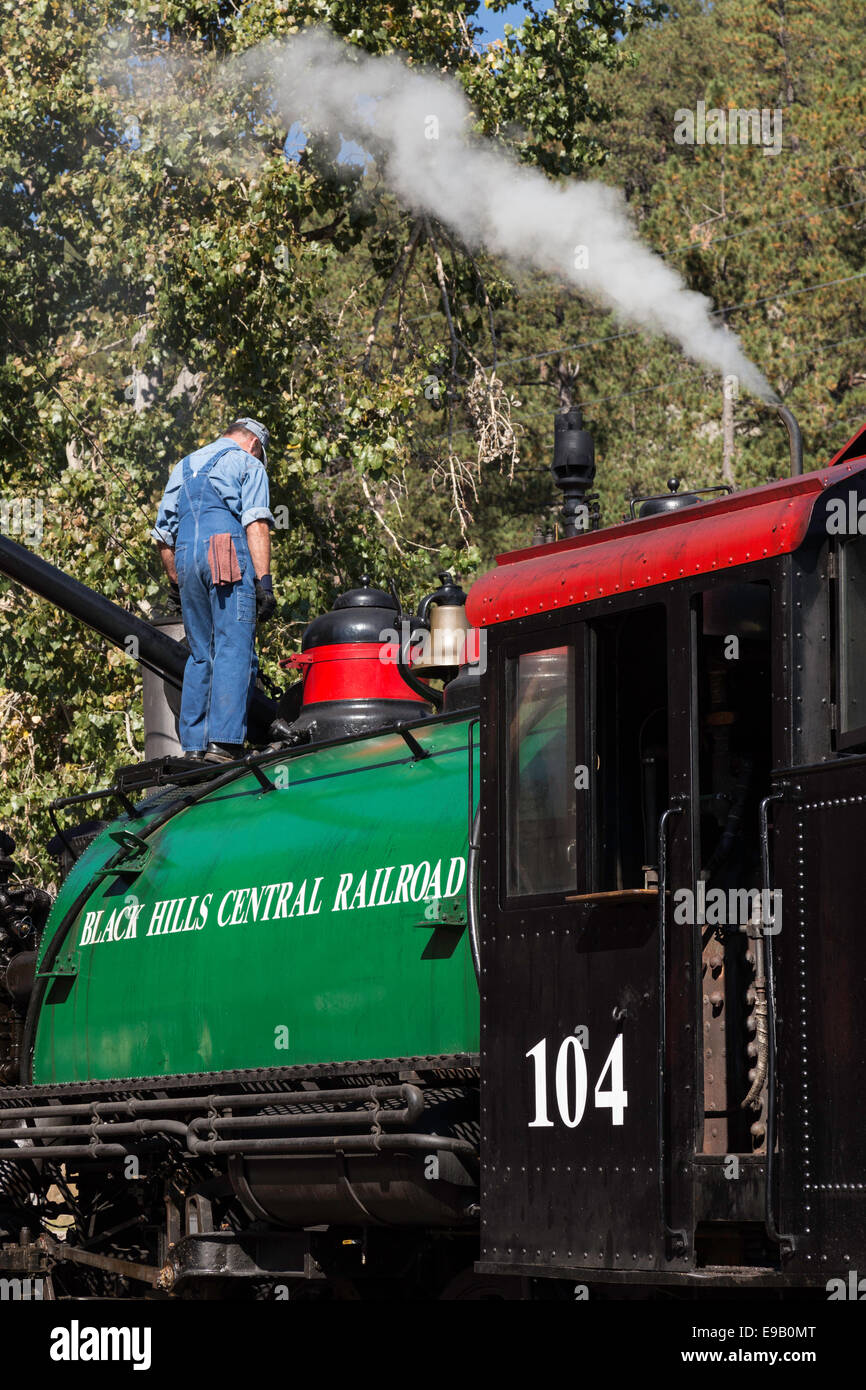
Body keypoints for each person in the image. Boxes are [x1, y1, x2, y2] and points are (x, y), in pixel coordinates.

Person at [152, 417, 278, 762]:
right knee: (234, 646)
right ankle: (224, 744)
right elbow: (256, 522)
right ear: (255, 443)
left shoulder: (185, 464)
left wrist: (177, 581)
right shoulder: (248, 462)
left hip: (186, 558)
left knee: (200, 652)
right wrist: (264, 583)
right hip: (224, 553)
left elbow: (163, 536)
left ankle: (194, 748)